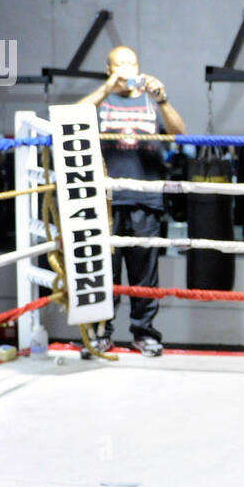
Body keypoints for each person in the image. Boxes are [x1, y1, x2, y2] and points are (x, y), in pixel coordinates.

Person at [77, 46, 187, 355]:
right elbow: (72, 118)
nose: (126, 67)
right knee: (103, 271)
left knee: (144, 275)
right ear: (108, 68)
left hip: (145, 198)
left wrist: (162, 99)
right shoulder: (101, 101)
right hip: (105, 201)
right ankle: (100, 334)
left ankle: (143, 332)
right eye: (119, 63)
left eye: (131, 62)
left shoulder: (152, 101)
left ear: (139, 66)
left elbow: (179, 133)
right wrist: (105, 88)